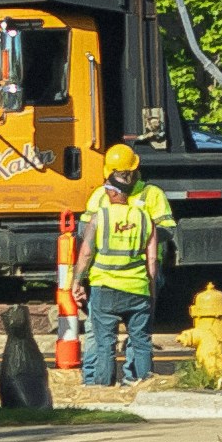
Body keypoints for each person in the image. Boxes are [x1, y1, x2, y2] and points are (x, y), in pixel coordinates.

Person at [79, 144, 159, 386]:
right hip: (138, 287)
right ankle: (144, 383)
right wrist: (151, 286)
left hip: (105, 286)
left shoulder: (99, 212)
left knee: (104, 342)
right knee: (142, 340)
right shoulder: (145, 214)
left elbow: (85, 250)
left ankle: (103, 386)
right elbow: (152, 258)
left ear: (111, 189)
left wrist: (76, 281)